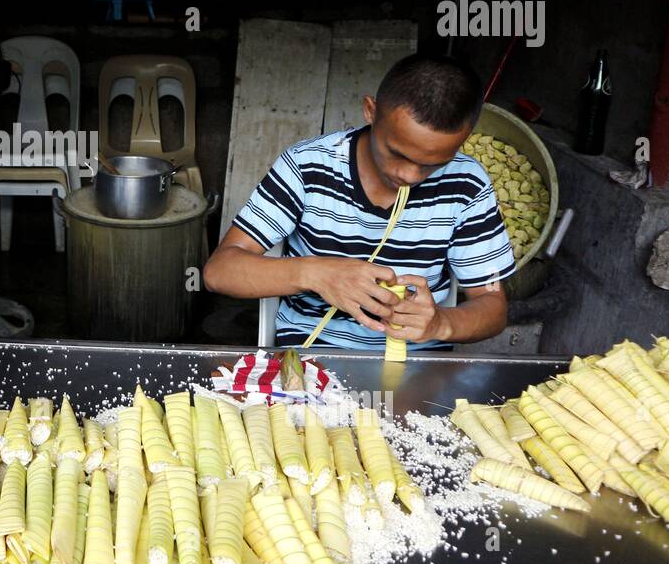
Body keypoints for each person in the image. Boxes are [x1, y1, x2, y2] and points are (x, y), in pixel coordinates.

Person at [204, 53, 514, 350]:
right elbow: (220, 271)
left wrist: (440, 324)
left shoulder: (467, 183)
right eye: (397, 153)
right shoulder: (308, 166)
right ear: (370, 110)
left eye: (433, 164)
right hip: (312, 356)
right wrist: (316, 274)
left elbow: (492, 305)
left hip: (418, 365)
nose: (410, 175)